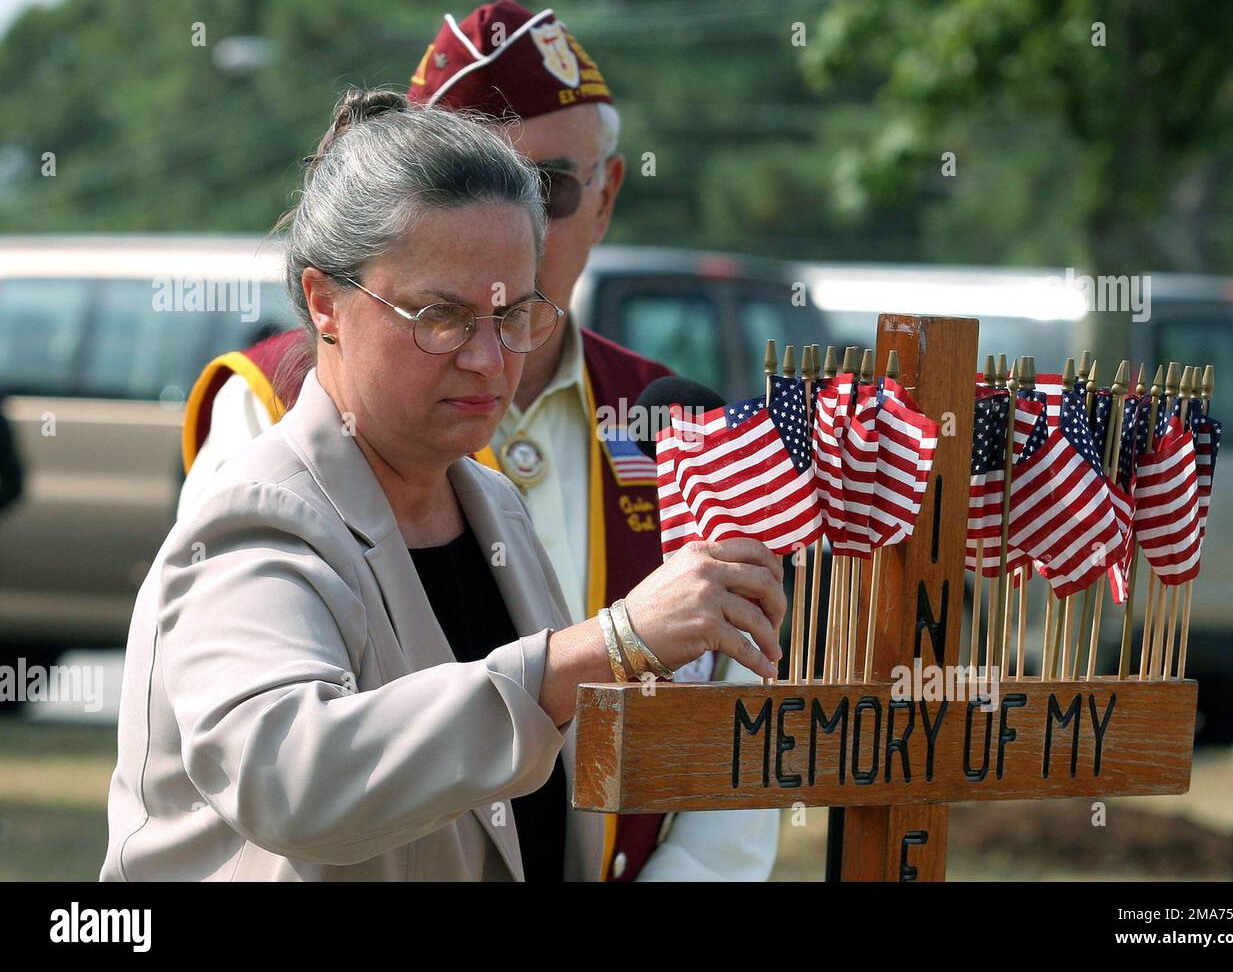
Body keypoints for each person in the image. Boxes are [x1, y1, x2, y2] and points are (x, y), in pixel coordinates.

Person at [101, 90, 785, 882]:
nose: (490, 361)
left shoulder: (489, 504)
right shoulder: (260, 512)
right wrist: (609, 646)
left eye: (516, 314)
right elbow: (291, 782)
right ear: (325, 303)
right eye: (439, 316)